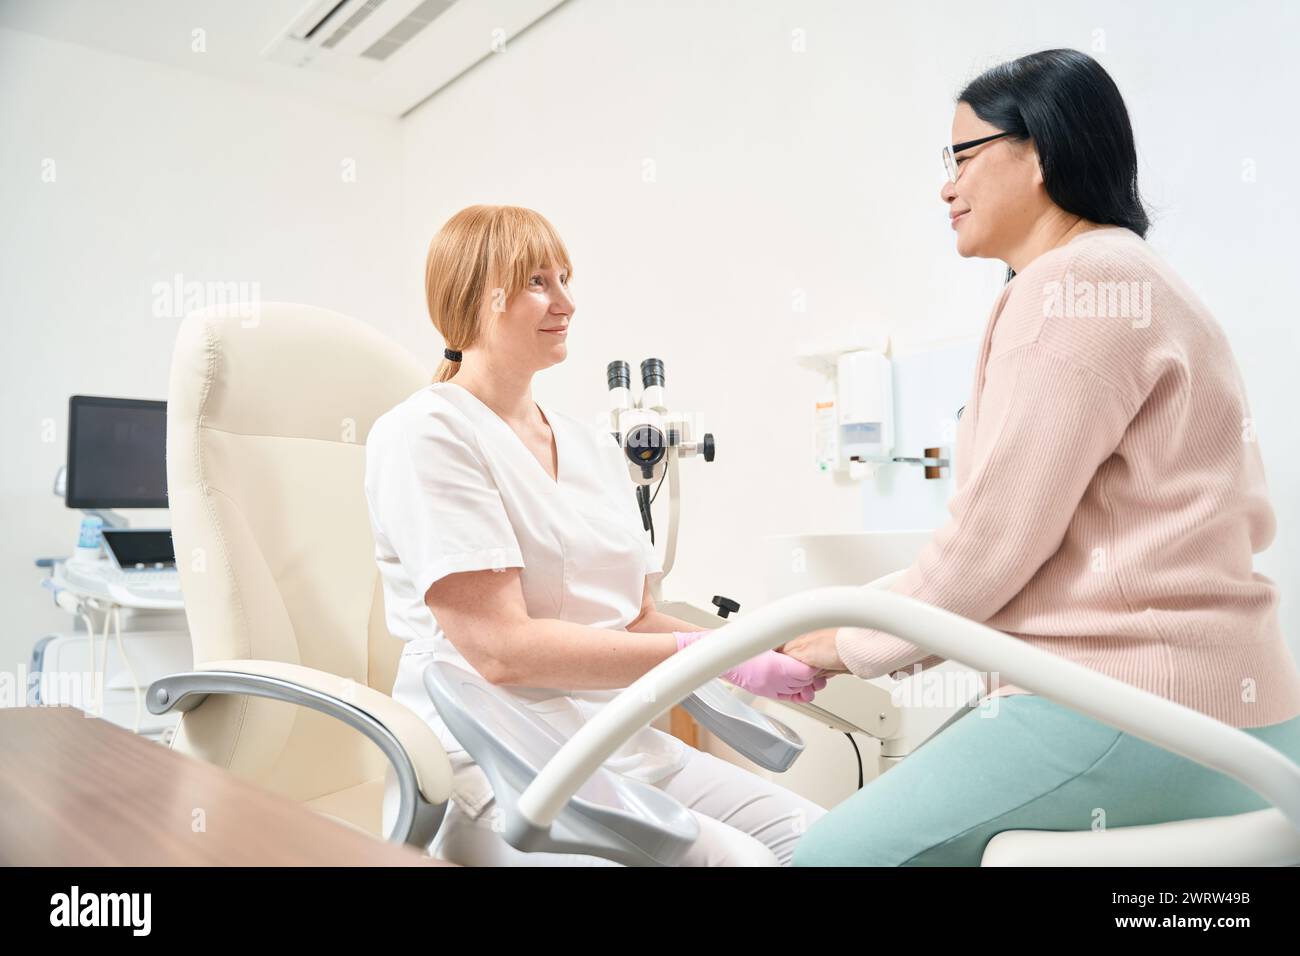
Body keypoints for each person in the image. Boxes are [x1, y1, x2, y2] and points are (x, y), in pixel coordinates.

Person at [781, 49, 1300, 866]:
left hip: (1130, 714)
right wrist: (850, 622)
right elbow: (1020, 544)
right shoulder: (1137, 279)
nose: (945, 187)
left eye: (963, 156)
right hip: (1246, 723)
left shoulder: (1068, 289)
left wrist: (848, 647)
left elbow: (988, 548)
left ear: (1043, 152)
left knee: (825, 860)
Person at [365, 204, 826, 865]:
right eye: (537, 282)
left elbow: (632, 618)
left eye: (566, 278)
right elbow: (502, 651)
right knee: (740, 862)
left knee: (826, 842)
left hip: (615, 741)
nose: (566, 302)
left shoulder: (589, 445)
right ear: (474, 296)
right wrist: (710, 654)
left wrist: (745, 645)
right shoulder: (426, 434)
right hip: (499, 758)